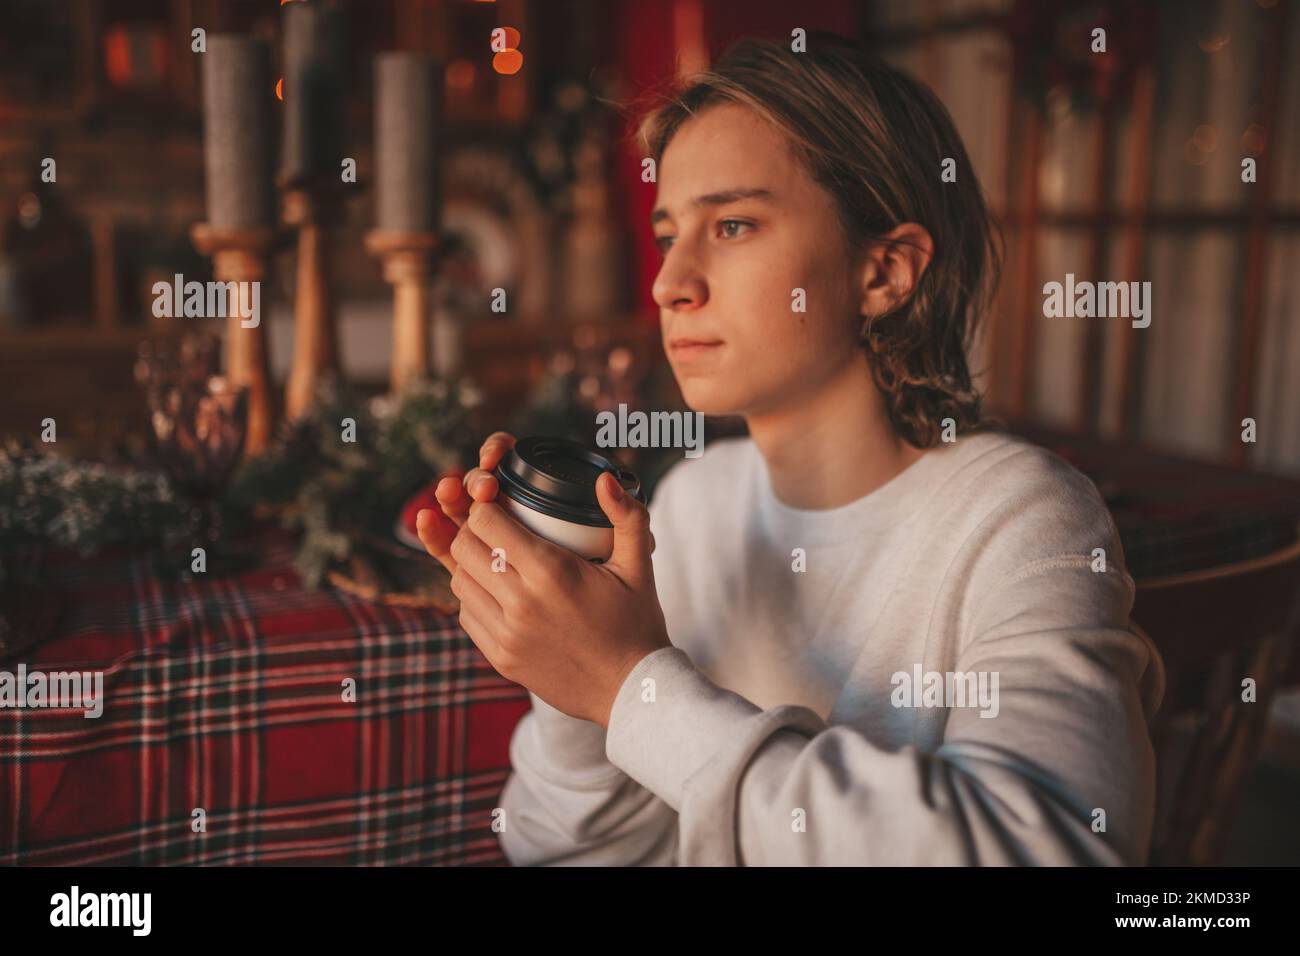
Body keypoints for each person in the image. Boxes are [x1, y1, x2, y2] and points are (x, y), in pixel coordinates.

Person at [416, 34, 1165, 866]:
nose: (669, 284)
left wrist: (630, 685)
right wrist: (572, 672)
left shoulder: (1021, 519)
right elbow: (561, 851)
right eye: (669, 235)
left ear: (884, 272)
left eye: (732, 225)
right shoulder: (696, 502)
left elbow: (1056, 851)